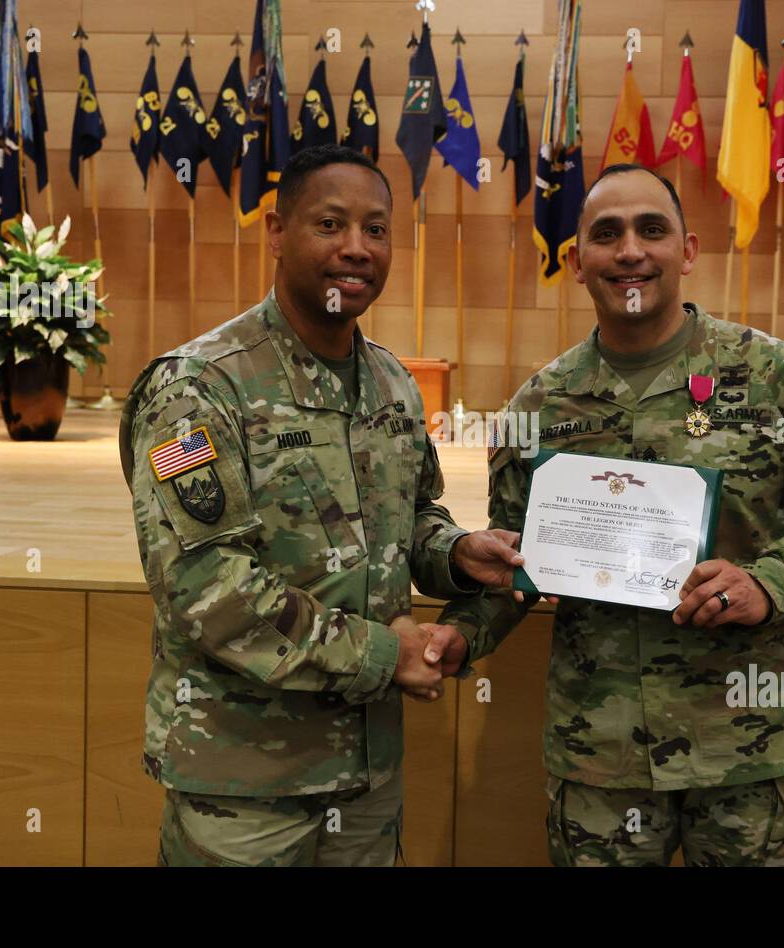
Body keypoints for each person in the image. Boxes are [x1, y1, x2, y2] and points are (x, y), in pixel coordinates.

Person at [432, 163, 784, 866]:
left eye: (652, 230)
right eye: (606, 234)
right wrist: (457, 638)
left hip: (750, 746)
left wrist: (769, 581)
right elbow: (520, 565)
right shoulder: (537, 410)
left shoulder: (777, 380)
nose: (629, 251)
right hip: (602, 751)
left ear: (687, 250)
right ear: (576, 259)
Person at [119, 144, 519, 867]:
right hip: (243, 786)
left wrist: (457, 553)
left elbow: (412, 520)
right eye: (330, 225)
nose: (356, 249)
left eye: (376, 229)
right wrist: (380, 654)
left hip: (365, 776)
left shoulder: (393, 382)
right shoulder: (199, 388)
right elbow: (205, 587)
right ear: (276, 232)